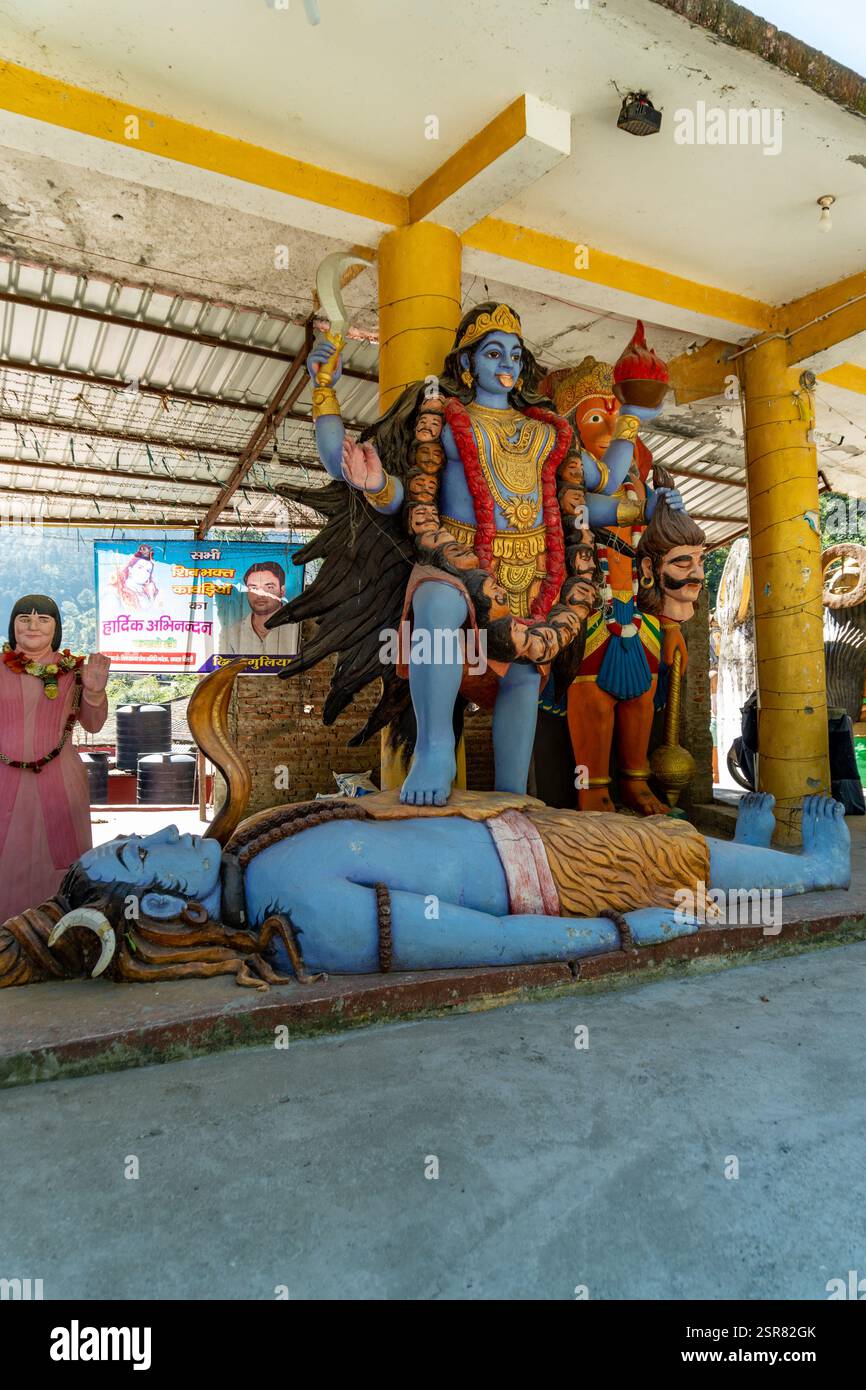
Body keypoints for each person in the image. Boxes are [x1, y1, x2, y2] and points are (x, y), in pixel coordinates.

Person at [0, 594, 110, 922]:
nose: (33, 625)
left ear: (56, 628)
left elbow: (93, 723)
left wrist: (93, 692)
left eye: (43, 619)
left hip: (59, 777)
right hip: (3, 777)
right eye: (25, 618)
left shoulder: (74, 671)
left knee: (60, 855)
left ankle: (61, 927)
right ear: (12, 626)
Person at [220, 561, 299, 656]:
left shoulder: (297, 629)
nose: (260, 594)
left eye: (269, 587)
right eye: (253, 588)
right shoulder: (232, 633)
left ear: (282, 591)